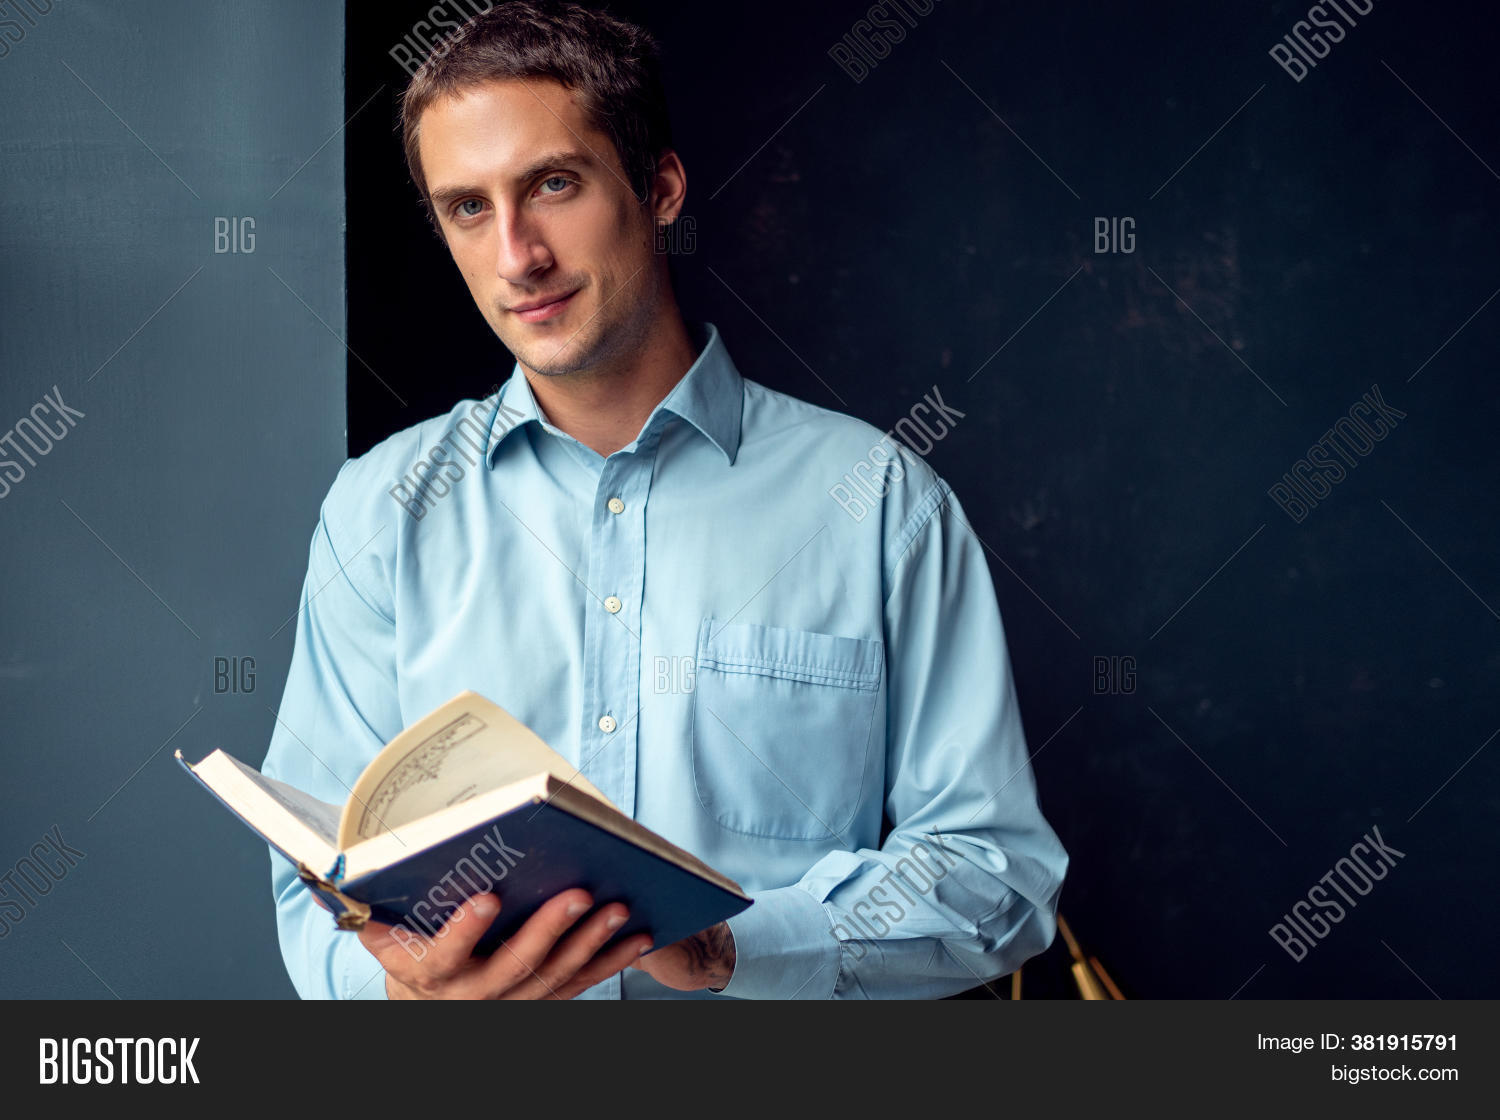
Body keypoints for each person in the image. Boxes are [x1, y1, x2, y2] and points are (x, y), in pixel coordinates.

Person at [262, 0, 1068, 1000]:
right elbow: (314, 896)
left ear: (661, 187)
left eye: (553, 185)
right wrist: (401, 990)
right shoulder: (379, 512)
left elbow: (997, 873)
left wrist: (737, 943)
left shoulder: (879, 504)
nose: (518, 255)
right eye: (469, 207)